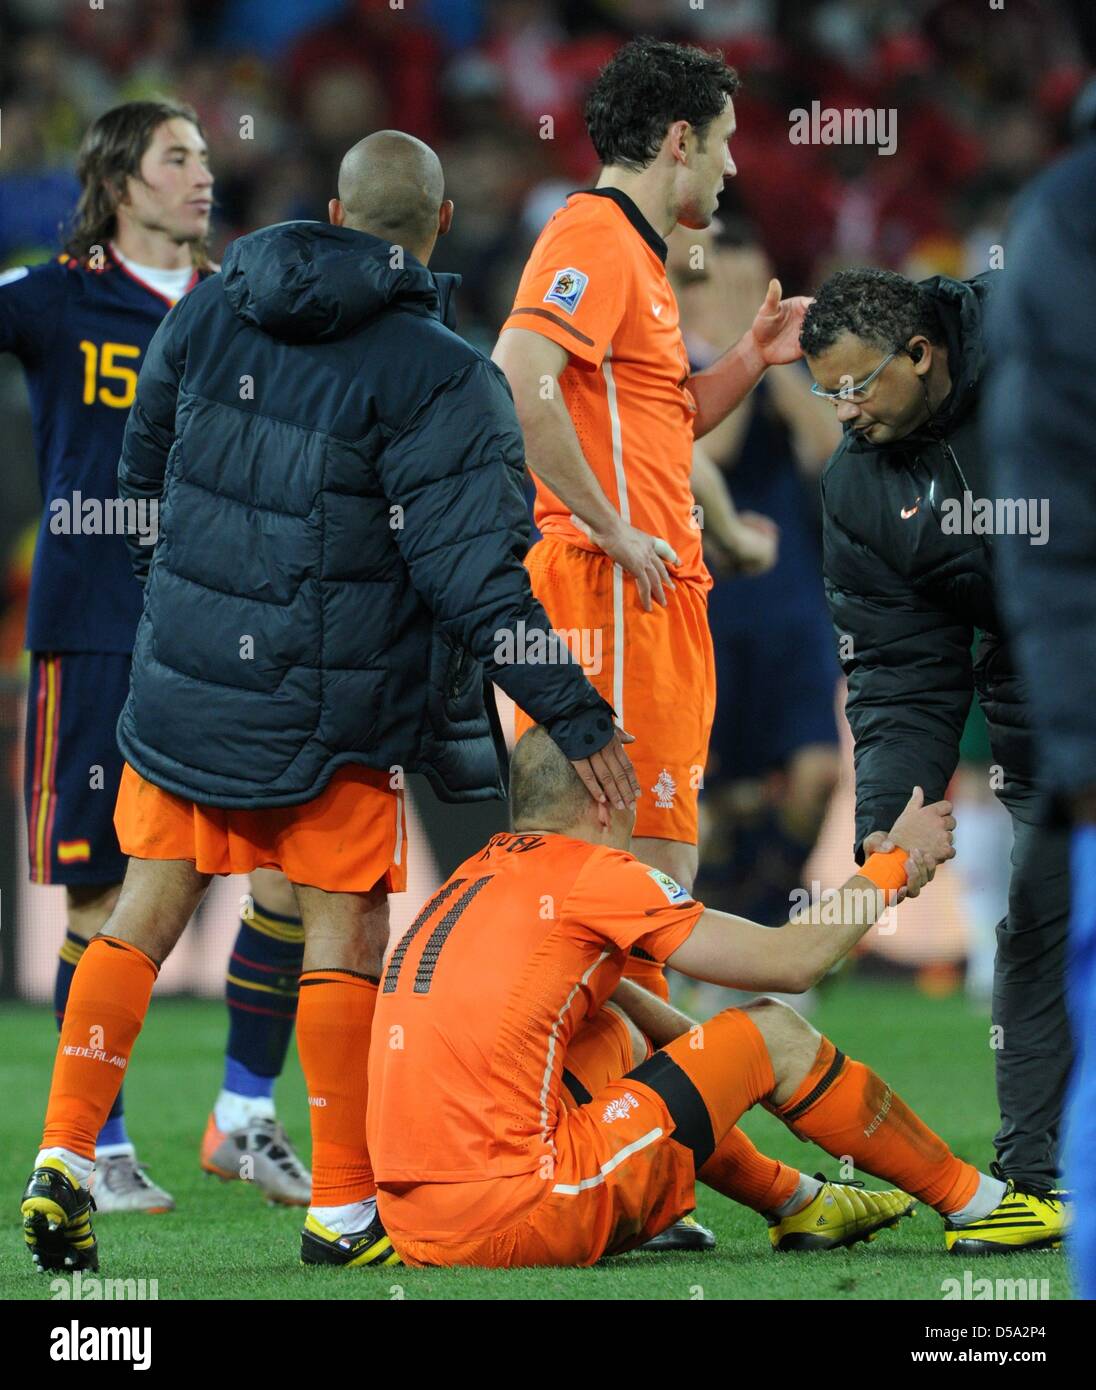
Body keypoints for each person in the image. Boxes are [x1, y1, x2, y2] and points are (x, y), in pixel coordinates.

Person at [19, 129, 635, 1275]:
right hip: (335, 710)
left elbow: (137, 474)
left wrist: (183, 613)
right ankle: (343, 1208)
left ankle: (62, 1155)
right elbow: (472, 578)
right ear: (438, 228)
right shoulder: (445, 373)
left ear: (340, 214)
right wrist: (576, 712)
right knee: (340, 927)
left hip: (182, 685)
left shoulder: (210, 309)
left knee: (142, 911)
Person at [492, 36, 813, 1252]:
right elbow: (516, 373)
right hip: (603, 597)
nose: (732, 168)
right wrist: (600, 518)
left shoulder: (639, 257)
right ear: (677, 139)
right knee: (617, 901)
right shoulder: (588, 235)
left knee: (650, 902)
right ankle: (600, 1160)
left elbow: (658, 427)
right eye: (724, 141)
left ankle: (639, 1170)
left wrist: (744, 363)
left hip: (655, 598)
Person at [367, 725, 1065, 1267]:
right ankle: (979, 1204)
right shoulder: (594, 874)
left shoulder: (475, 876)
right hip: (519, 1215)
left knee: (616, 1030)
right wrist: (896, 864)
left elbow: (669, 1043)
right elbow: (791, 960)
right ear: (606, 797)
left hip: (418, 1229)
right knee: (773, 1029)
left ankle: (800, 1203)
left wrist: (734, 1071)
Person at [0, 100, 310, 1212]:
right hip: (93, 626)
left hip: (227, 628)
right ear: (120, 181)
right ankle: (105, 1147)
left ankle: (243, 1114)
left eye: (204, 155)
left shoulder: (244, 305)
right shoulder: (58, 294)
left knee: (285, 869)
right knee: (103, 891)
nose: (201, 174)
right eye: (176, 157)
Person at [801, 266, 1071, 1200]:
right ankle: (1043, 1182)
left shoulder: (1057, 356)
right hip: (1047, 727)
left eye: (855, 384)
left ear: (922, 354)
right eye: (822, 391)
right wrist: (891, 815)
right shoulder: (860, 490)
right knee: (1043, 934)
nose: (841, 412)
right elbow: (899, 668)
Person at [985, 50, 1096, 1295]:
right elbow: (1058, 530)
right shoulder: (1070, 228)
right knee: (1036, 931)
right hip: (1052, 723)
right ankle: (1025, 1171)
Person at [670, 218, 842, 930]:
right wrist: (739, 350)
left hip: (791, 599)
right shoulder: (676, 361)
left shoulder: (786, 362)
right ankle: (716, 941)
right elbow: (722, 442)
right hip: (706, 601)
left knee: (816, 773)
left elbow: (829, 449)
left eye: (756, 283)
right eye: (730, 283)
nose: (747, 297)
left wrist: (775, 360)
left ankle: (767, 929)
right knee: (714, 799)